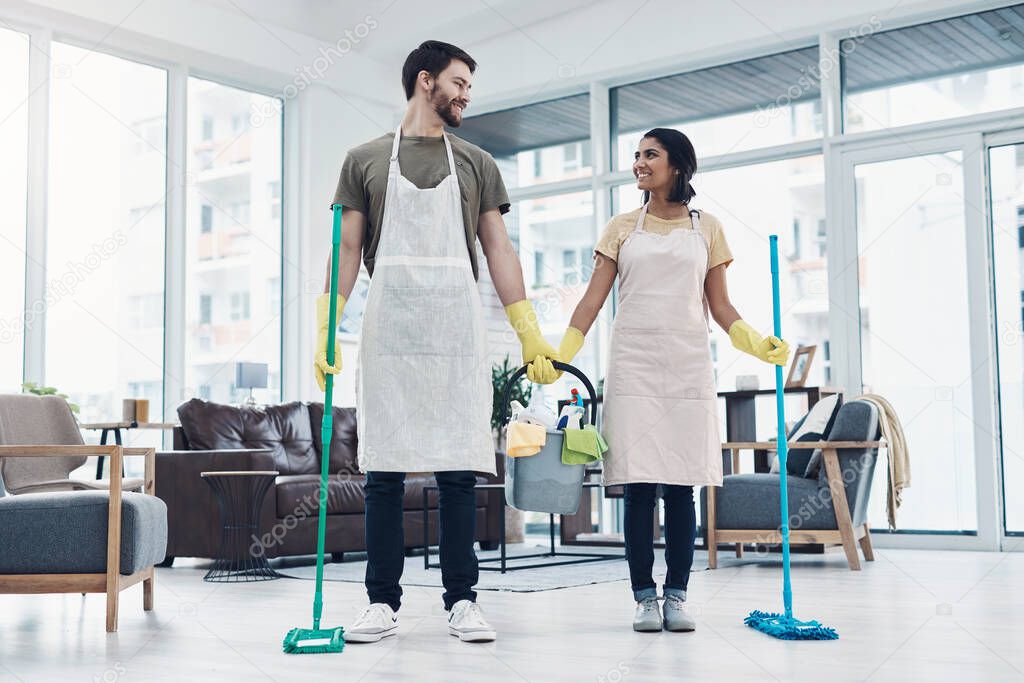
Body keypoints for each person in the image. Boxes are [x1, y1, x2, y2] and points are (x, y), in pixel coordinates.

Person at [314, 41, 560, 644]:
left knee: (458, 470)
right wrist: (327, 326)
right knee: (383, 472)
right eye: (459, 83)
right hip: (390, 332)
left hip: (455, 330)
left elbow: (499, 250)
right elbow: (347, 249)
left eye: (469, 85)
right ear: (426, 81)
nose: (466, 95)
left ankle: (463, 600)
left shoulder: (477, 162)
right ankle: (381, 603)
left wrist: (529, 332)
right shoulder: (363, 160)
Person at [544, 128, 790, 632]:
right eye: (636, 155)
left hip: (686, 365)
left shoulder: (708, 228)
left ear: (677, 164)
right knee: (638, 485)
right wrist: (561, 353)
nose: (639, 162)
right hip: (632, 363)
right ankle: (643, 598)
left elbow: (721, 308)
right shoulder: (620, 227)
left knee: (681, 485)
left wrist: (757, 343)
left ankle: (676, 595)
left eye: (650, 154)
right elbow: (592, 301)